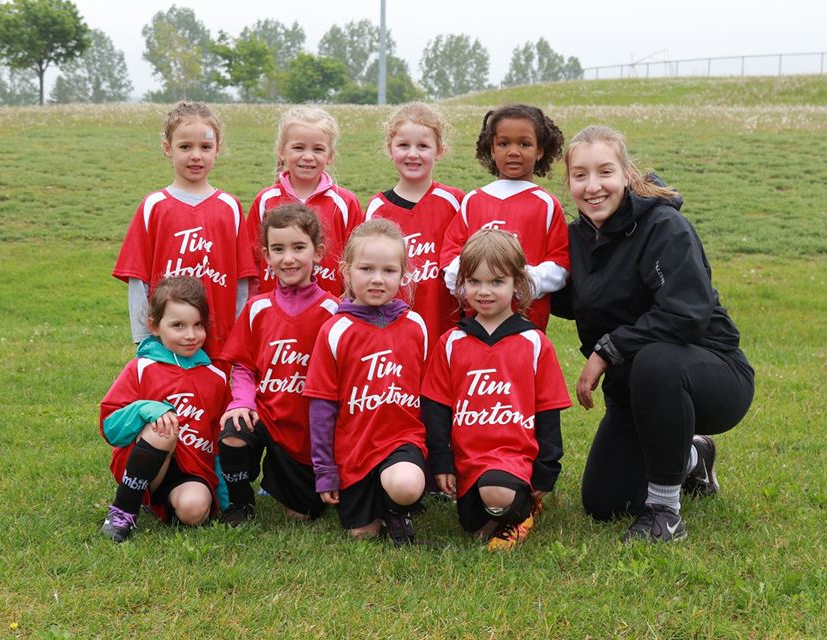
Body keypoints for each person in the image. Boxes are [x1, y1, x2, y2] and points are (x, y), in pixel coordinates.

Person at [554, 125, 755, 542]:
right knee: (605, 503)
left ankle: (665, 513)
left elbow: (685, 315)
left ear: (627, 174)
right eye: (580, 175)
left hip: (709, 376)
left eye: (605, 172)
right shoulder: (576, 239)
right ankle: (691, 457)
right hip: (632, 389)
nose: (593, 187)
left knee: (656, 359)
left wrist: (606, 350)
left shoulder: (664, 226)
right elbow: (566, 298)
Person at [422, 230, 571, 551]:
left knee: (498, 495)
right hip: (468, 462)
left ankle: (523, 511)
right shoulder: (451, 342)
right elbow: (436, 408)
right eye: (474, 281)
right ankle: (504, 508)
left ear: (518, 283)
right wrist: (442, 462)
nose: (484, 291)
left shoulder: (534, 342)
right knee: (475, 530)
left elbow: (548, 411)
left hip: (515, 459)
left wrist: (546, 471)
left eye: (496, 281)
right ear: (462, 284)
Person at [304, 219, 429, 546]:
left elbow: (430, 397)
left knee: (405, 485)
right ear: (346, 272)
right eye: (366, 269)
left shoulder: (416, 326)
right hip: (354, 452)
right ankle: (376, 503)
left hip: (402, 442)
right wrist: (325, 470)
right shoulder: (335, 330)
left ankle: (398, 508)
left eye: (389, 270)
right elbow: (321, 407)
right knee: (361, 534)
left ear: (403, 274)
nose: (377, 279)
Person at [215, 204, 339, 526]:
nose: (288, 258)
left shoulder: (332, 311)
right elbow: (244, 366)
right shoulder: (258, 308)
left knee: (301, 515)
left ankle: (284, 478)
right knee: (234, 431)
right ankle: (241, 503)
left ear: (318, 252)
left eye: (299, 248)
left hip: (305, 430)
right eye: (278, 249)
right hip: (265, 415)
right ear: (266, 255)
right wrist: (242, 402)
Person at [112, 101, 257, 358]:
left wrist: (237, 336)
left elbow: (241, 281)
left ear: (217, 149)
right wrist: (145, 339)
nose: (196, 156)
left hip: (219, 343)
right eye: (185, 147)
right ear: (168, 148)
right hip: (165, 343)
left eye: (205, 147)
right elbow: (138, 280)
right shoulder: (154, 206)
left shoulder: (230, 207)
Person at [100, 276, 229, 543]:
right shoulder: (141, 368)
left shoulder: (216, 377)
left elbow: (218, 443)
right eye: (178, 325)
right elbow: (110, 427)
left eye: (198, 325)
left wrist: (226, 499)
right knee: (164, 427)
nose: (190, 335)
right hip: (144, 458)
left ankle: (157, 502)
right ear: (154, 326)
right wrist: (145, 408)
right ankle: (124, 509)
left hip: (189, 472)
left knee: (194, 510)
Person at [440, 103, 569, 332]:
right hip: (476, 325)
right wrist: (472, 283)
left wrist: (525, 281)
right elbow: (450, 254)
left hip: (527, 325)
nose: (513, 152)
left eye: (524, 144)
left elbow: (561, 263)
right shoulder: (473, 201)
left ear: (540, 150)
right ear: (491, 149)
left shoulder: (547, 204)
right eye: (503, 143)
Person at [364, 102, 465, 350]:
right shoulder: (377, 207)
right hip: (391, 332)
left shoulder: (455, 201)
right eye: (403, 145)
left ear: (439, 150)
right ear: (390, 149)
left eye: (422, 146)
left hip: (445, 328)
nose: (412, 154)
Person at [246, 106, 361, 297]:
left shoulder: (345, 203)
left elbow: (357, 262)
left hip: (330, 310)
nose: (308, 157)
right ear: (281, 151)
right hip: (274, 310)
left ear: (330, 156)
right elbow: (251, 261)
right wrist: (256, 304)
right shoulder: (265, 201)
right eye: (299, 148)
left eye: (318, 149)